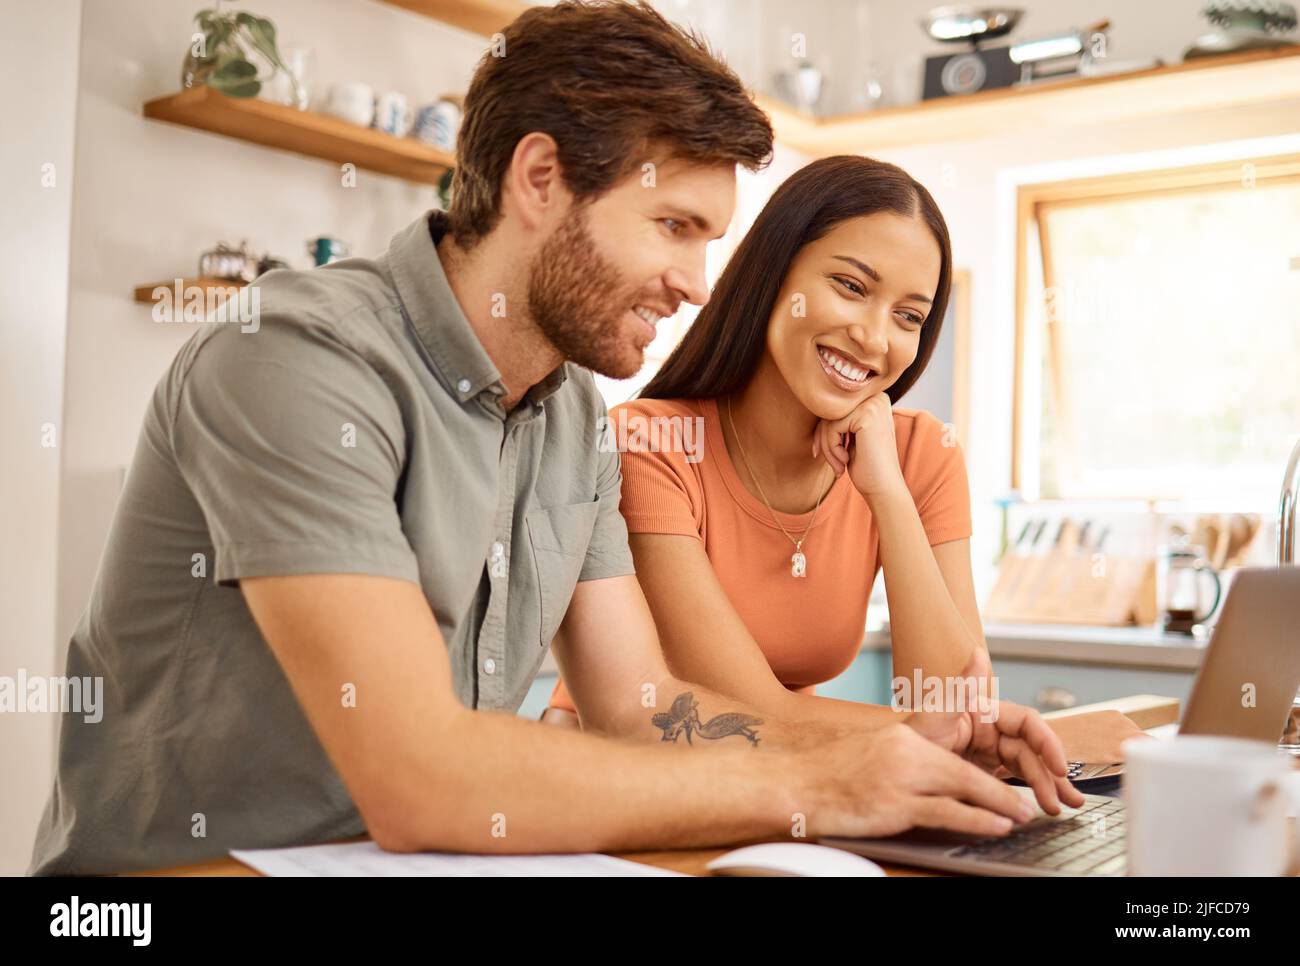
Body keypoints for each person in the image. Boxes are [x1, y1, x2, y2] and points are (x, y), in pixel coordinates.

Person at [30, 1, 1078, 876]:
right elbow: (421, 773)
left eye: (709, 240)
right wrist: (817, 783)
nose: (695, 285)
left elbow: (645, 708)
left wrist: (918, 741)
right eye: (673, 228)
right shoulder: (296, 361)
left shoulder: (570, 416)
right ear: (540, 179)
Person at [544, 155, 1143, 762]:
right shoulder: (652, 444)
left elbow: (946, 703)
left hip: (801, 785)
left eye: (909, 316)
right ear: (773, 274)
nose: (875, 338)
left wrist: (887, 492)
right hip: (634, 788)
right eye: (852, 287)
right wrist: (1031, 740)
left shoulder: (918, 453)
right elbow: (749, 712)